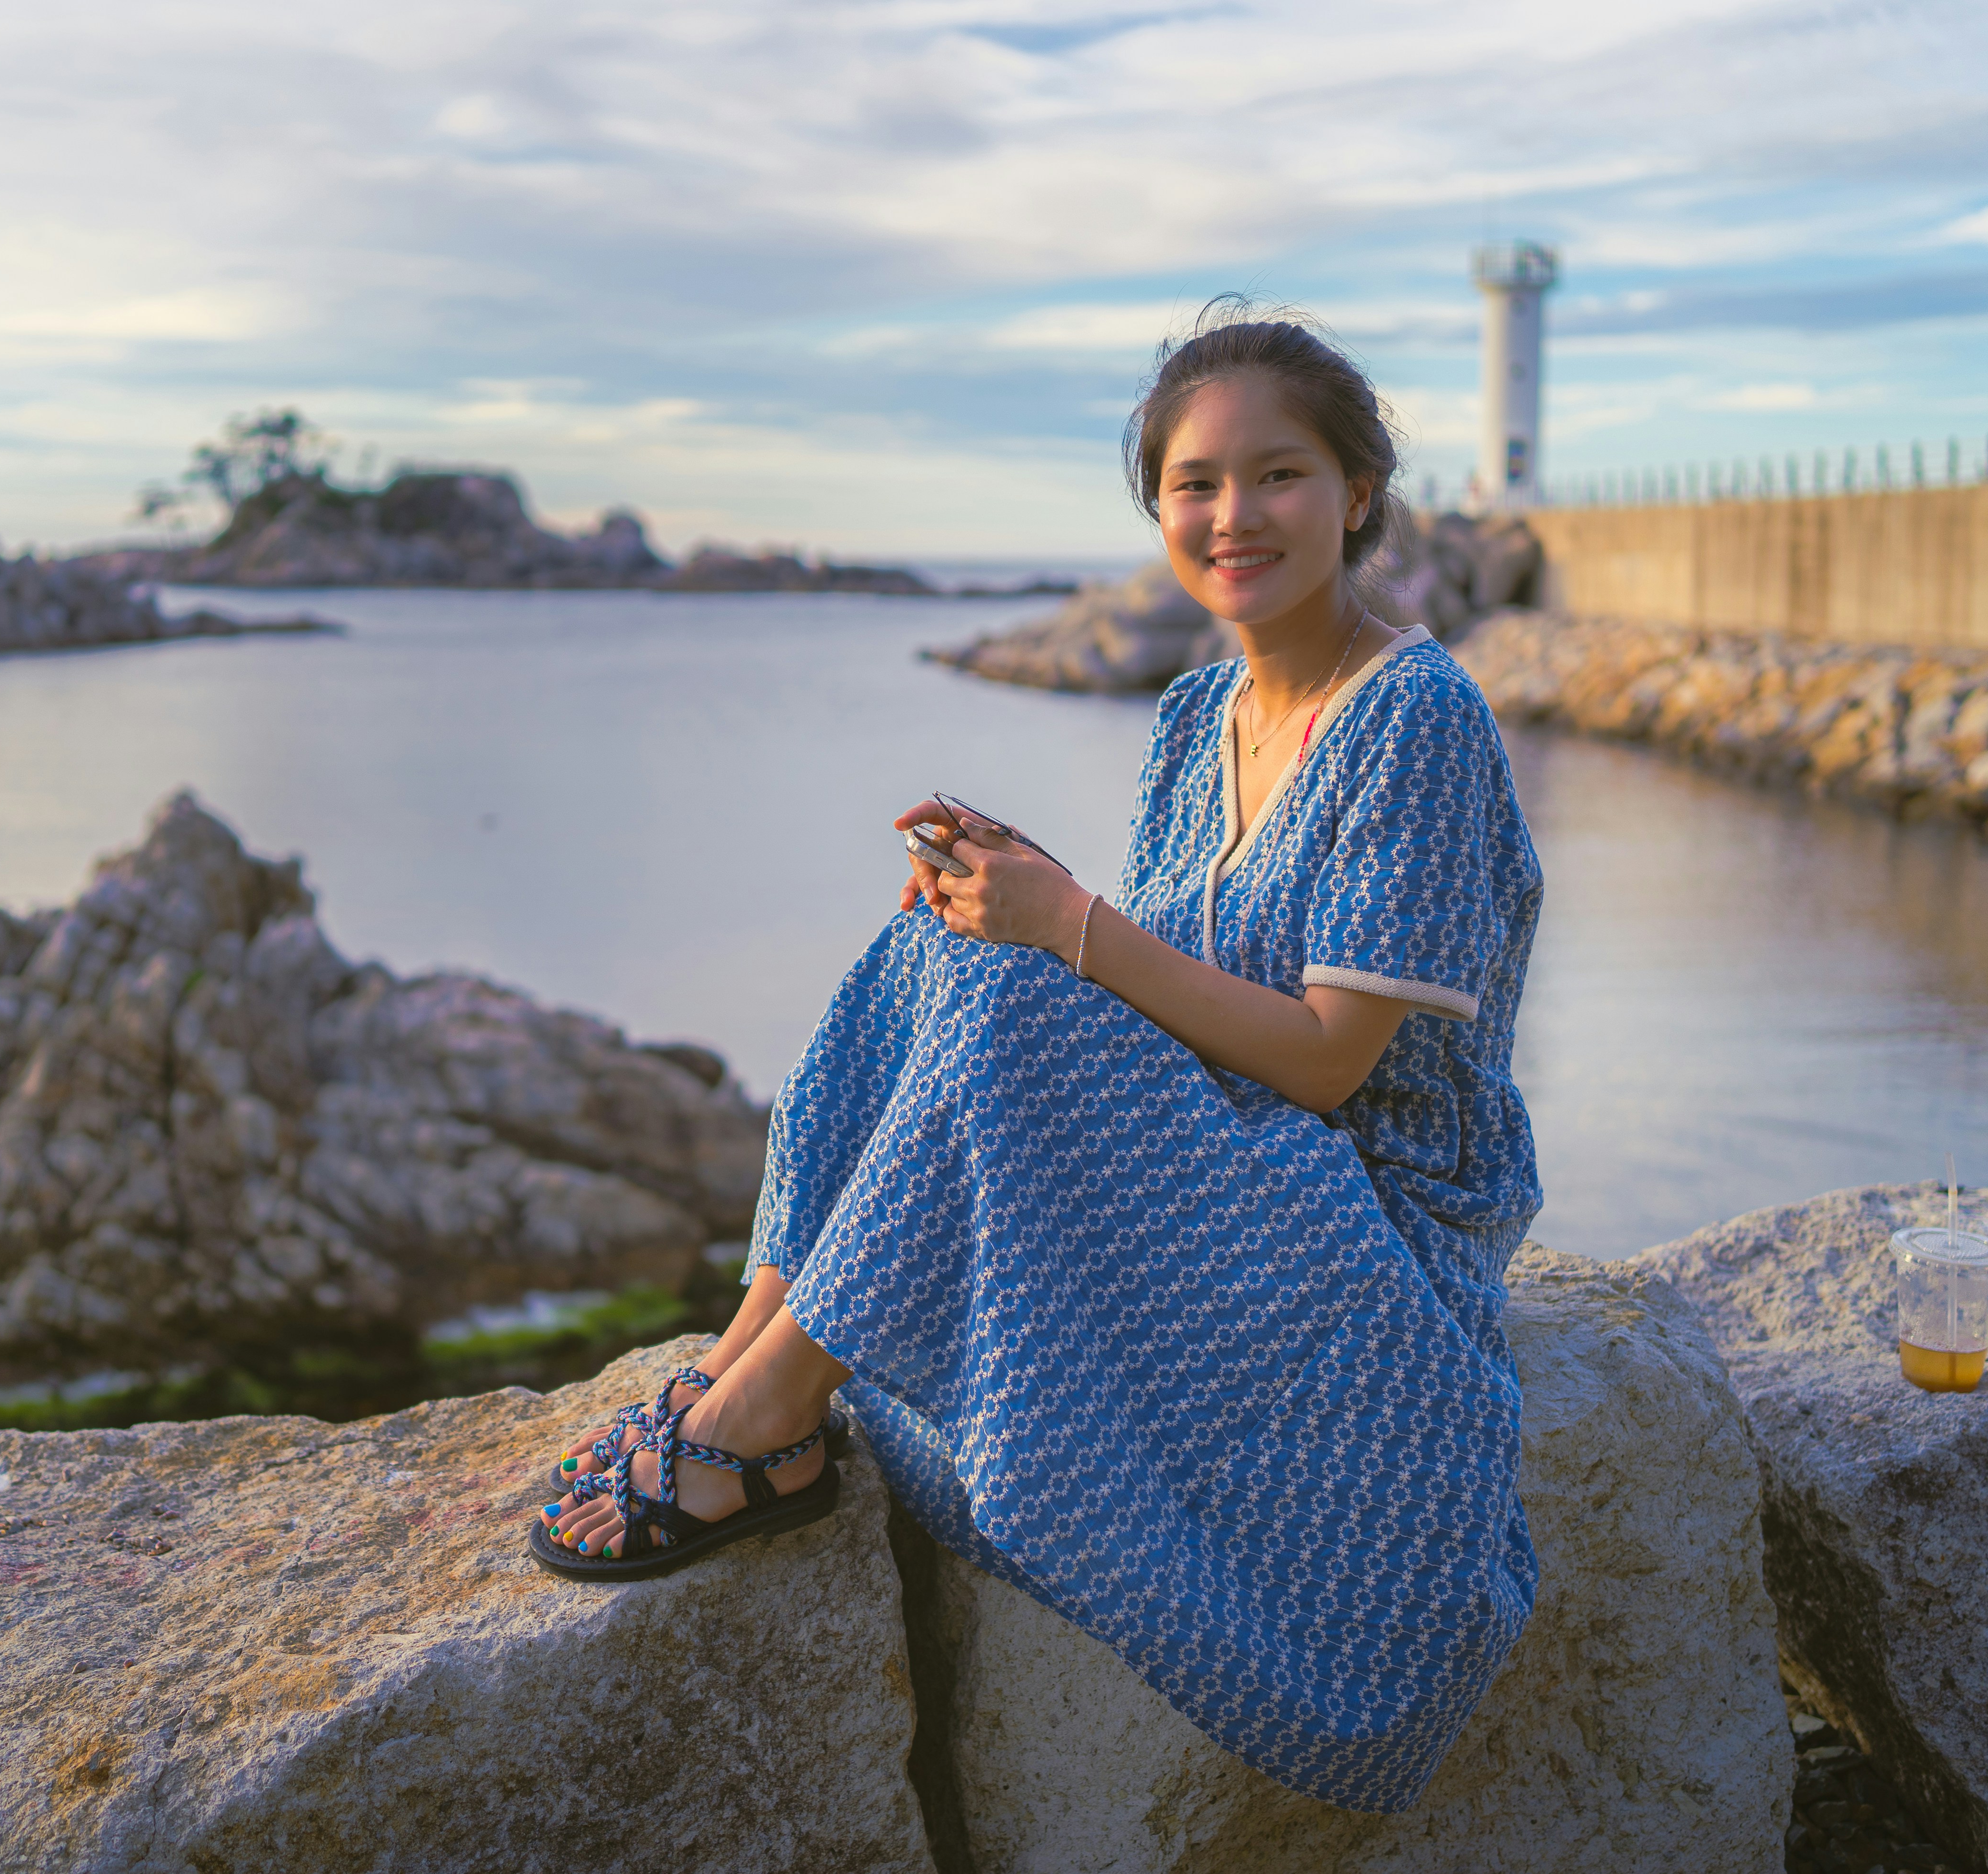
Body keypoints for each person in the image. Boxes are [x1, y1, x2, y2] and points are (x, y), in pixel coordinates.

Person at [525, 300, 1545, 1815]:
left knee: (1016, 987)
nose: (1234, 515)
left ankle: (764, 1428)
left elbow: (1331, 1063)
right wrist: (1022, 898)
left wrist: (1067, 924)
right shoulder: (1199, 712)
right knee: (932, 947)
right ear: (1160, 512)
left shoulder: (1419, 719)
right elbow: (1160, 989)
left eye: (1278, 475)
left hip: (1377, 1227)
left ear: (1357, 494)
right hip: (1245, 1161)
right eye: (1195, 485)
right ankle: (747, 1355)